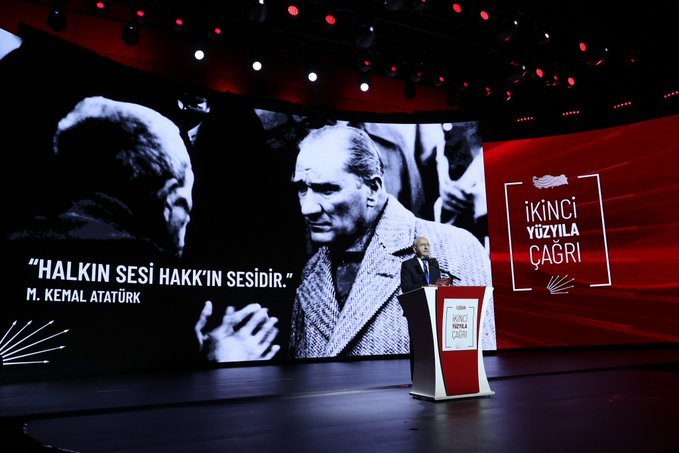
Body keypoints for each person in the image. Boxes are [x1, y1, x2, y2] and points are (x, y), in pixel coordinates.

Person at [288, 125, 495, 359]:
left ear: (372, 189)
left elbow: (469, 369)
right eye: (302, 189)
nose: (307, 208)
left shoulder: (454, 251)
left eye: (326, 190)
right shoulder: (312, 272)